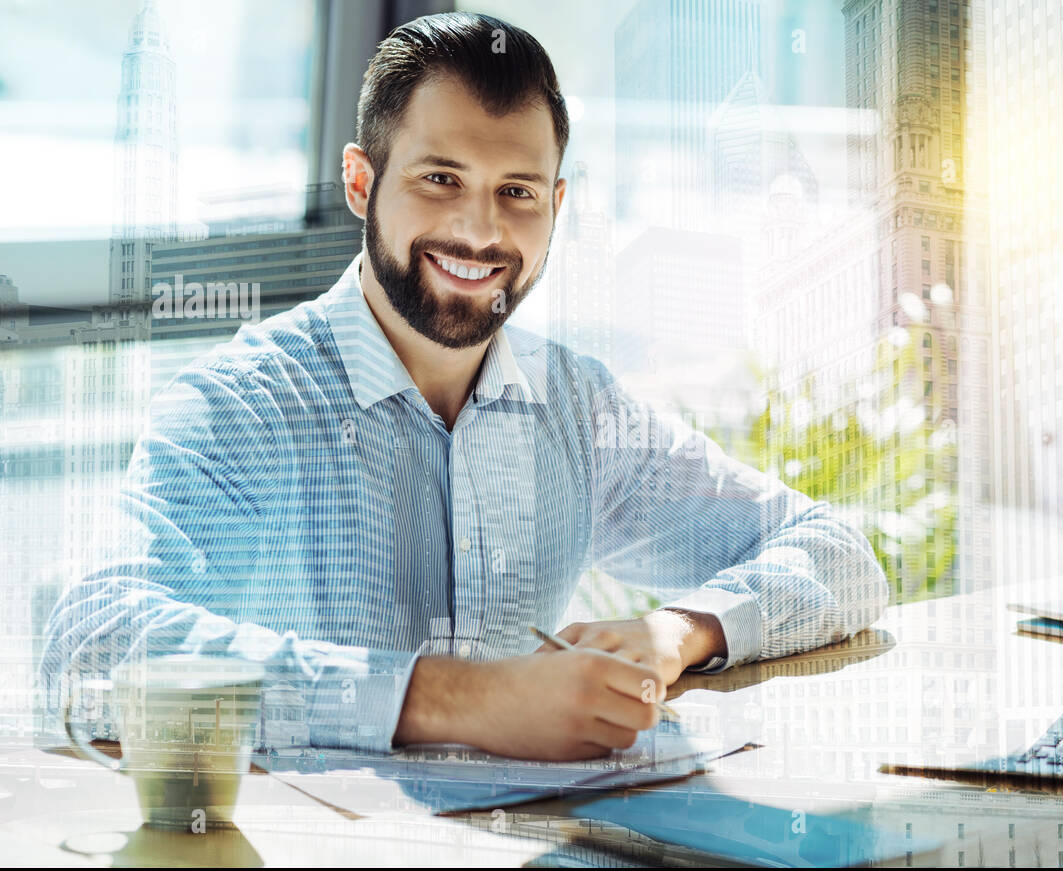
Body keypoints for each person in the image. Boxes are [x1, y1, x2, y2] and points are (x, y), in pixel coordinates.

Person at [41, 12, 888, 761]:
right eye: (440, 179)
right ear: (362, 182)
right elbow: (88, 647)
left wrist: (677, 632)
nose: (481, 231)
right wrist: (454, 699)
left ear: (557, 203)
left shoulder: (579, 408)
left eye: (515, 193)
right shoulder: (242, 405)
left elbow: (839, 556)